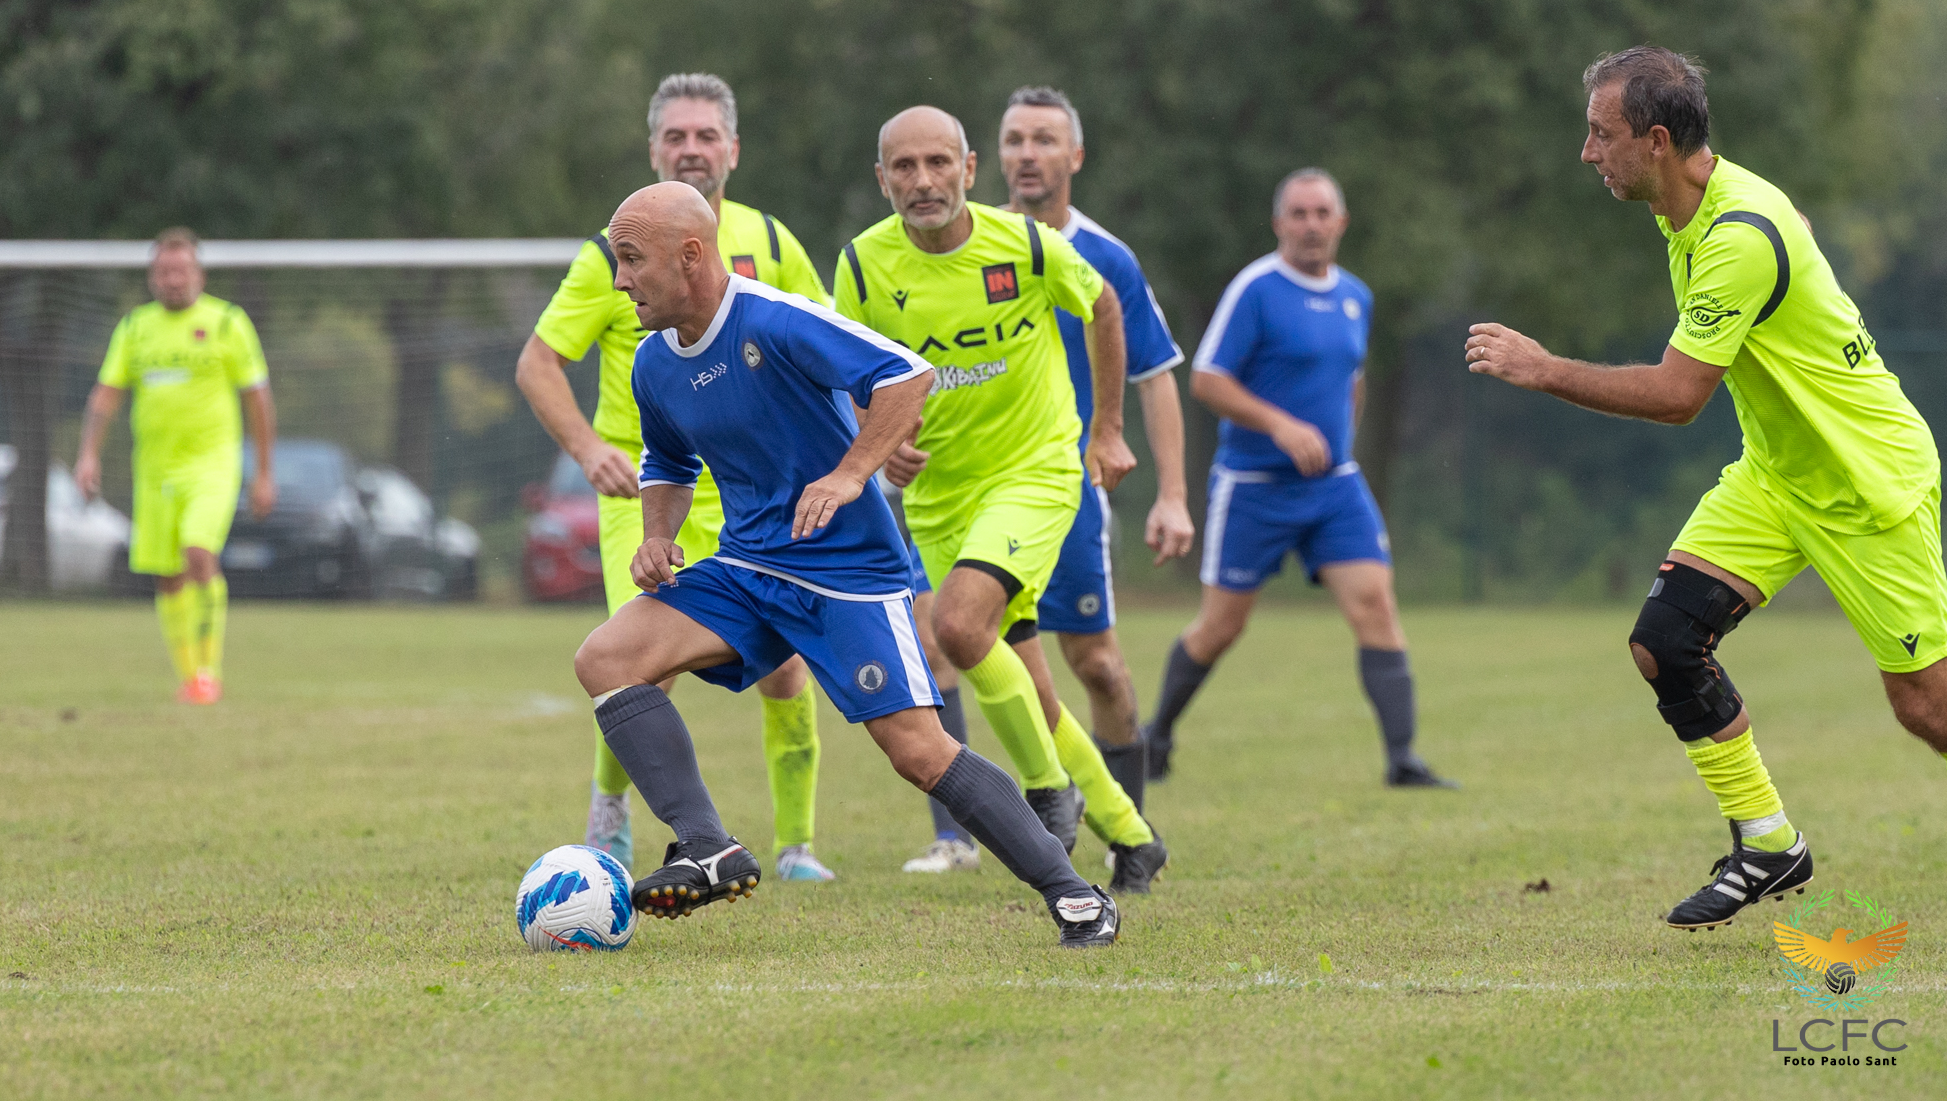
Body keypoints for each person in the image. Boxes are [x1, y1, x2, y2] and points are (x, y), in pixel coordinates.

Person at [1467, 46, 1947, 937]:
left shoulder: (1741, 236)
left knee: (1929, 708)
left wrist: (1545, 369)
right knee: (1665, 642)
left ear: (1658, 141)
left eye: (1602, 136)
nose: (1587, 154)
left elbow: (1677, 397)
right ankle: (1769, 841)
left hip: (1867, 485)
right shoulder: (1687, 208)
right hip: (1778, 475)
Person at [573, 182, 1120, 947]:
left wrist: (849, 474)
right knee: (607, 657)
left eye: (631, 260)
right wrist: (656, 535)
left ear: (689, 256)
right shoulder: (654, 363)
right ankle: (709, 847)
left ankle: (1076, 896)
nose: (620, 278)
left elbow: (906, 376)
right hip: (748, 568)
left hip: (846, 574)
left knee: (920, 754)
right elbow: (666, 459)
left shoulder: (775, 318)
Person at [834, 105, 1170, 893]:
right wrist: (876, 435)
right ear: (881, 179)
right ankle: (1133, 834)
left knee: (955, 626)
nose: (923, 181)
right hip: (943, 497)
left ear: (969, 168)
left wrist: (1110, 429)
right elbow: (842, 368)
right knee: (1025, 682)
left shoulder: (1023, 245)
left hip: (1035, 472)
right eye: (905, 168)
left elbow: (1105, 306)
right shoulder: (859, 267)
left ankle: (1049, 792)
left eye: (938, 163)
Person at [515, 73, 836, 883]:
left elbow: (824, 342)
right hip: (647, 491)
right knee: (635, 657)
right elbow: (539, 361)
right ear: (653, 149)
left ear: (732, 149)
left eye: (705, 136)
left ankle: (797, 846)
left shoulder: (771, 239)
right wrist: (590, 450)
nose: (691, 149)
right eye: (675, 137)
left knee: (788, 666)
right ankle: (610, 819)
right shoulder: (611, 252)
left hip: (750, 491)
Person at [1146, 169, 1454, 791]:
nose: (1311, 225)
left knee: (1376, 607)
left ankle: (1402, 760)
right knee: (1221, 627)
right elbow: (1207, 379)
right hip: (1254, 487)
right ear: (1279, 223)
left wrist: (1336, 440)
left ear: (1340, 223)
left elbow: (1352, 378)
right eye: (1299, 214)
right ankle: (1155, 738)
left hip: (1334, 488)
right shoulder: (1256, 289)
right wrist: (1281, 426)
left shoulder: (1356, 296)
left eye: (1322, 213)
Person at [76, 229, 276, 705]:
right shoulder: (134, 328)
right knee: (167, 575)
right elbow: (106, 394)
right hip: (154, 472)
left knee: (198, 554)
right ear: (151, 278)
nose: (173, 280)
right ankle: (190, 678)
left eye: (181, 270)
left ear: (199, 275)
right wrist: (88, 453)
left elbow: (258, 397)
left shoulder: (227, 323)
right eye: (164, 271)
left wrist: (264, 471)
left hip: (213, 464)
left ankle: (209, 672)